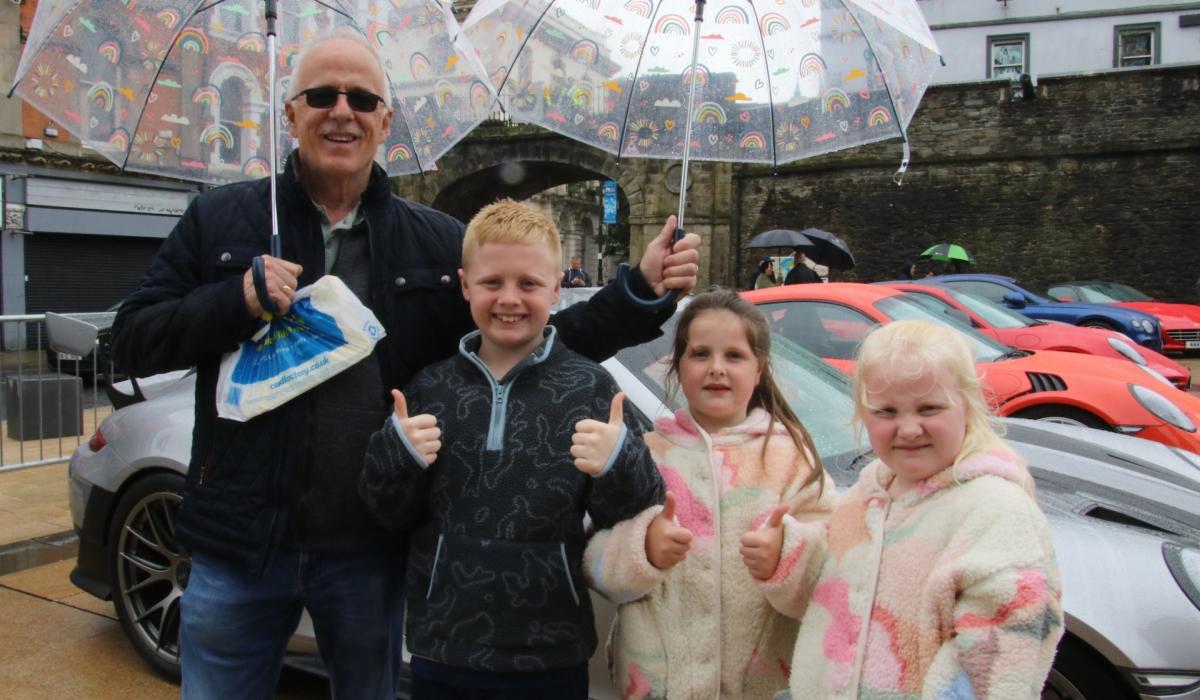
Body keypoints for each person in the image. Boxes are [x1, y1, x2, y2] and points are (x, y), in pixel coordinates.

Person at [108, 29, 700, 700]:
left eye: (361, 98)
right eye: (322, 95)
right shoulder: (220, 219)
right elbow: (134, 337)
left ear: (384, 120)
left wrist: (640, 292)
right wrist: (235, 299)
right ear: (292, 112)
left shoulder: (433, 239)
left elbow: (526, 339)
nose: (342, 111)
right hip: (238, 544)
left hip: (365, 550)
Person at [358, 199, 664, 698]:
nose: (509, 299)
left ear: (556, 288)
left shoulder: (589, 388)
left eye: (528, 284)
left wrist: (619, 461)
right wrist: (397, 456)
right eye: (492, 283)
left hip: (552, 648)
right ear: (464, 285)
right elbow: (386, 511)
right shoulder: (430, 388)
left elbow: (637, 511)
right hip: (444, 644)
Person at [770, 320, 1063, 699]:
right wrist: (785, 554)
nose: (908, 429)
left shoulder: (994, 511)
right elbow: (834, 597)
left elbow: (1001, 651)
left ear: (968, 406)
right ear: (862, 414)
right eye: (887, 411)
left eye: (928, 408)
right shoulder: (865, 496)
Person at [582, 289, 834, 699]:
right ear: (678, 367)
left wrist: (786, 555)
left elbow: (835, 574)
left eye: (734, 356)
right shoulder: (645, 455)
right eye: (700, 354)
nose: (716, 368)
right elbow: (593, 563)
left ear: (759, 369)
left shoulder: (792, 458)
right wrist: (642, 548)